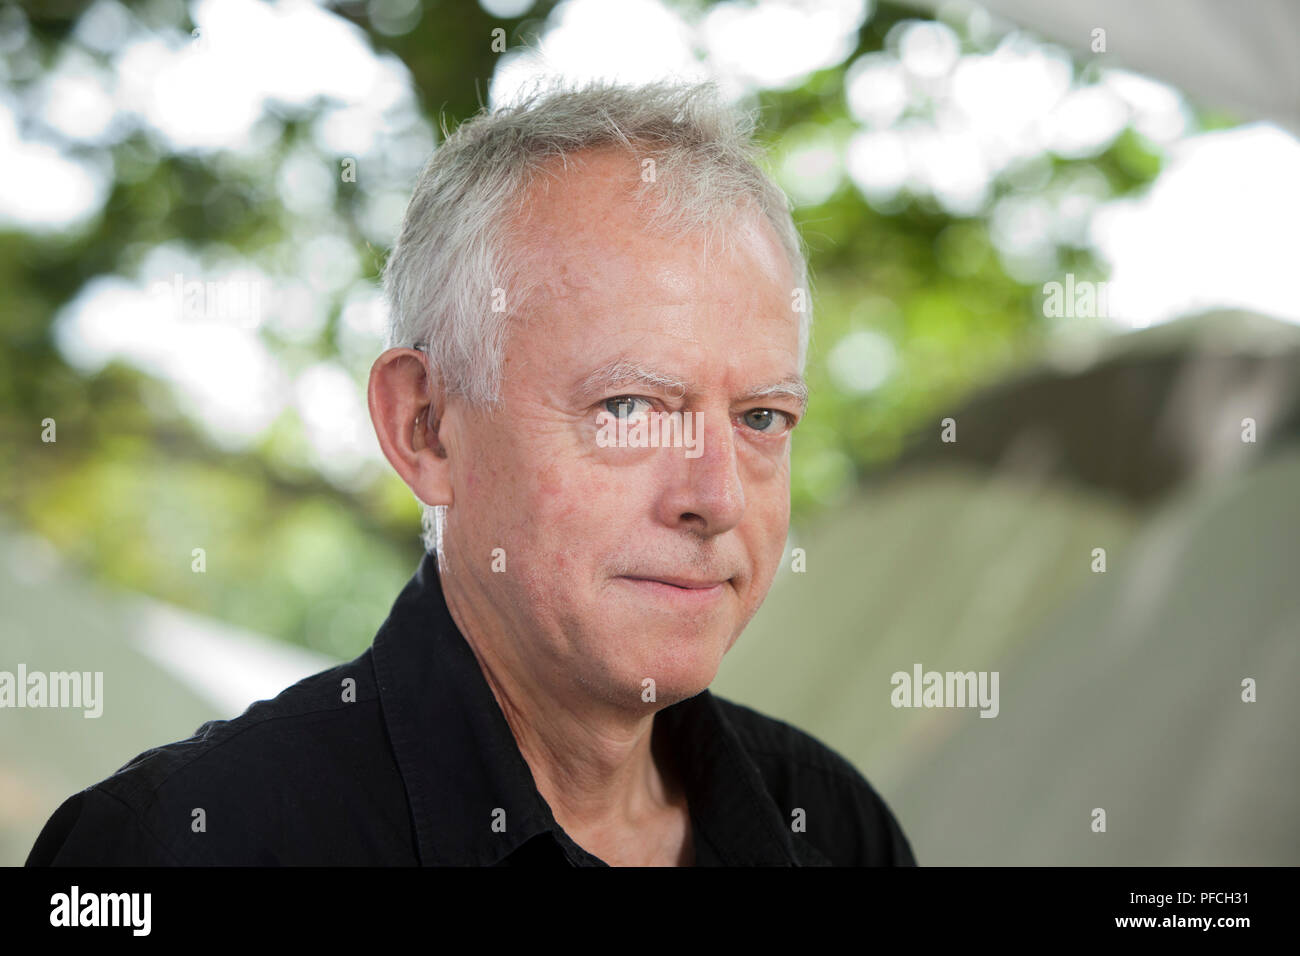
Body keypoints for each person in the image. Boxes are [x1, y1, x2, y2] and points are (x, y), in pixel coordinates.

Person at [27, 79, 915, 866]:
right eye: (628, 408)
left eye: (762, 418)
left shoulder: (837, 831)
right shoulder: (180, 847)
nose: (716, 499)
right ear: (426, 429)